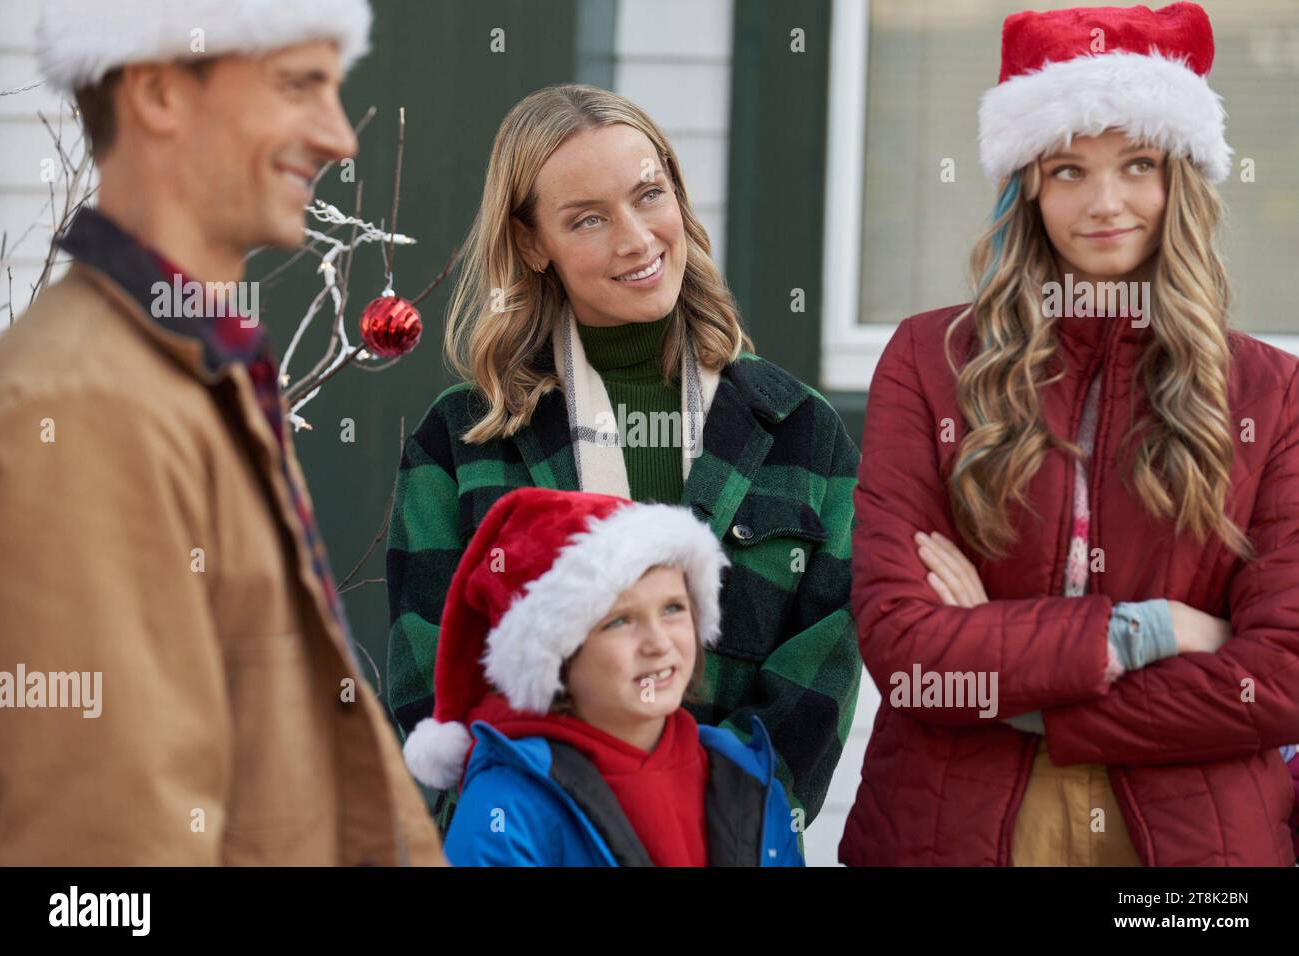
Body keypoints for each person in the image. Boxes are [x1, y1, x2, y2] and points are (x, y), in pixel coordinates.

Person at [840, 3, 1299, 866]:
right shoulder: (929, 361)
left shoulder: (1272, 394)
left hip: (1196, 850)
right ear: (1029, 187)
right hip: (955, 829)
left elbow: (1278, 678)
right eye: (1067, 171)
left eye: (1137, 165)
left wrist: (1020, 678)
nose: (1105, 203)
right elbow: (905, 651)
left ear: (1180, 181)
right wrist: (1153, 627)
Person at [0, 0, 444, 865]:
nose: (340, 138)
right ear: (161, 91)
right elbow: (101, 851)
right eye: (298, 86)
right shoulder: (83, 403)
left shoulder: (196, 375)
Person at [385, 84, 861, 836]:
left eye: (649, 195)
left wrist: (709, 816)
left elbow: (821, 671)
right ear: (534, 242)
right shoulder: (464, 439)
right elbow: (429, 674)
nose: (637, 239)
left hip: (728, 843)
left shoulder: (799, 430)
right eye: (588, 219)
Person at [402, 487, 803, 866]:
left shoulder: (748, 779)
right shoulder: (505, 809)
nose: (658, 643)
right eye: (620, 621)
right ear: (555, 654)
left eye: (673, 609)